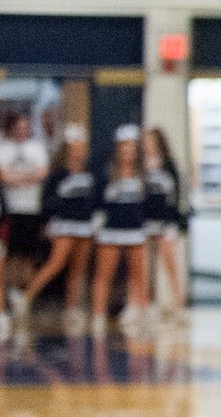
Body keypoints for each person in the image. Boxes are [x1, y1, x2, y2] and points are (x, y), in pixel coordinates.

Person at [17, 135, 96, 331]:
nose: (80, 150)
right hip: (64, 224)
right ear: (68, 149)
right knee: (56, 263)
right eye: (76, 147)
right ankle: (25, 298)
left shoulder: (89, 173)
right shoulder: (58, 174)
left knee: (78, 270)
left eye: (82, 147)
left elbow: (94, 198)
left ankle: (72, 309)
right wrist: (49, 220)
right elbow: (47, 199)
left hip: (85, 225)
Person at [91, 127, 152, 336]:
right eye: (124, 147)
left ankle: (142, 313)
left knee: (139, 274)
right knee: (104, 273)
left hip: (135, 230)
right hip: (111, 230)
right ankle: (98, 316)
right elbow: (97, 201)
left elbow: (148, 204)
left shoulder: (142, 174)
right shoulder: (107, 172)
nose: (128, 151)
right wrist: (97, 225)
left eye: (132, 147)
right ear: (118, 149)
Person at [1, 112, 52, 311]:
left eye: (25, 127)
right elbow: (4, 176)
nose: (22, 131)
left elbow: (43, 173)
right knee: (10, 257)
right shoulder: (4, 149)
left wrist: (17, 177)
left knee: (30, 256)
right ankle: (8, 293)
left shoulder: (36, 148)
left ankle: (24, 294)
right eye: (18, 127)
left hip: (33, 209)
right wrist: (29, 177)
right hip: (11, 211)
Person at [141, 127, 188, 318]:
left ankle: (179, 306)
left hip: (165, 221)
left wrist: (176, 222)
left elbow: (177, 195)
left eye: (151, 140)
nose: (147, 144)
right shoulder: (140, 166)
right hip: (144, 221)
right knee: (144, 267)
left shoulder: (169, 166)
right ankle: (145, 306)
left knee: (170, 264)